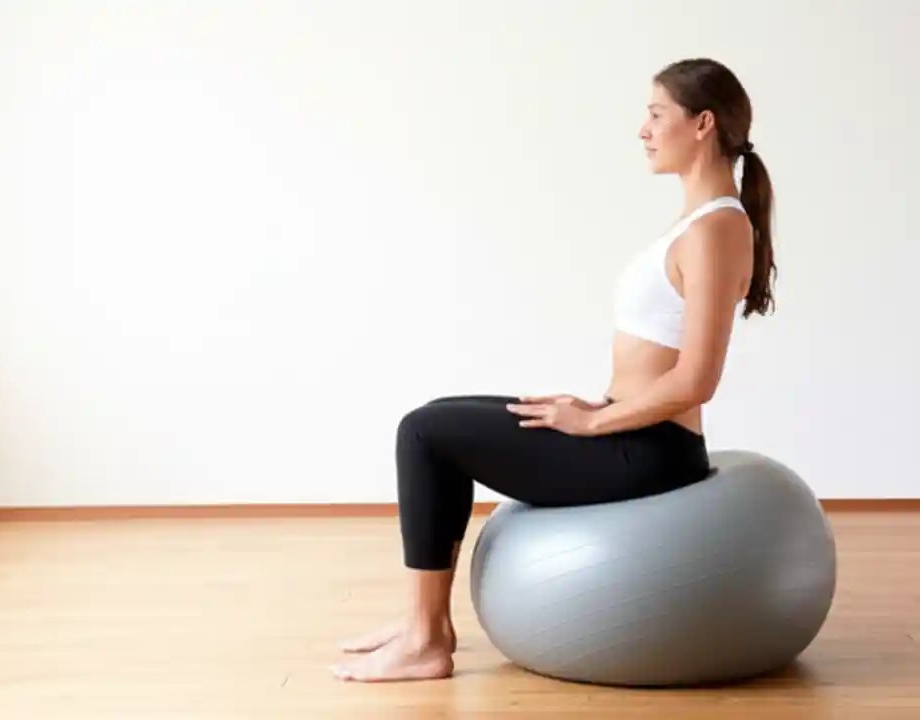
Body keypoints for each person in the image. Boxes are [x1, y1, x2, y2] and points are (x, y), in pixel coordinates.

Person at [329, 57, 777, 682]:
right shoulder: (700, 222)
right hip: (629, 429)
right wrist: (598, 407)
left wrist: (593, 426)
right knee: (436, 418)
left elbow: (697, 379)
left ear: (702, 124)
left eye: (655, 114)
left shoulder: (718, 229)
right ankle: (419, 623)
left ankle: (427, 639)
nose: (642, 130)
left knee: (424, 434)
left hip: (651, 451)